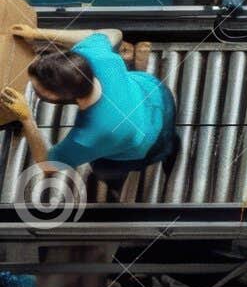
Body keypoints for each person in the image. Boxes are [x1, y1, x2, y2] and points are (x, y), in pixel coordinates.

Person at [6, 23, 178, 185]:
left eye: (38, 89)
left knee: (105, 169)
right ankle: (137, 66)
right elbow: (113, 33)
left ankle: (121, 183)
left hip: (148, 139)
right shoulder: (95, 57)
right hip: (156, 94)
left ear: (57, 96)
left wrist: (27, 118)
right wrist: (36, 33)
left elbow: (48, 165)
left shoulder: (89, 136)